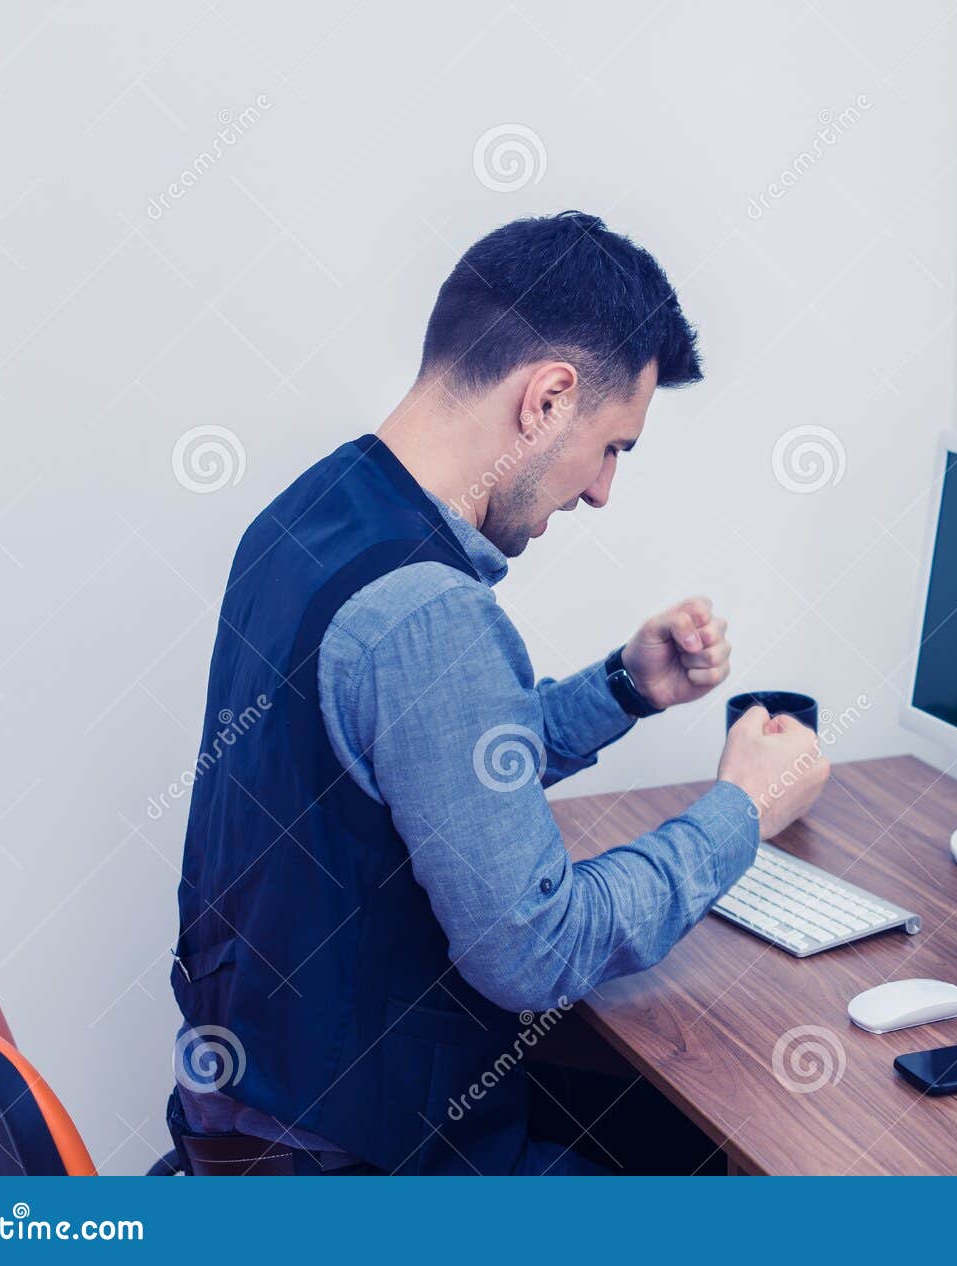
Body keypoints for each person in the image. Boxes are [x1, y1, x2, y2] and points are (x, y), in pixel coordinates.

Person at [167, 211, 830, 1175]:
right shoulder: (429, 612)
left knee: (658, 1128)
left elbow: (429, 761)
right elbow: (537, 950)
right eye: (613, 446)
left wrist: (623, 688)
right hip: (366, 1165)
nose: (603, 491)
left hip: (257, 1115)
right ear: (548, 398)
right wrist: (742, 811)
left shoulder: (310, 511)